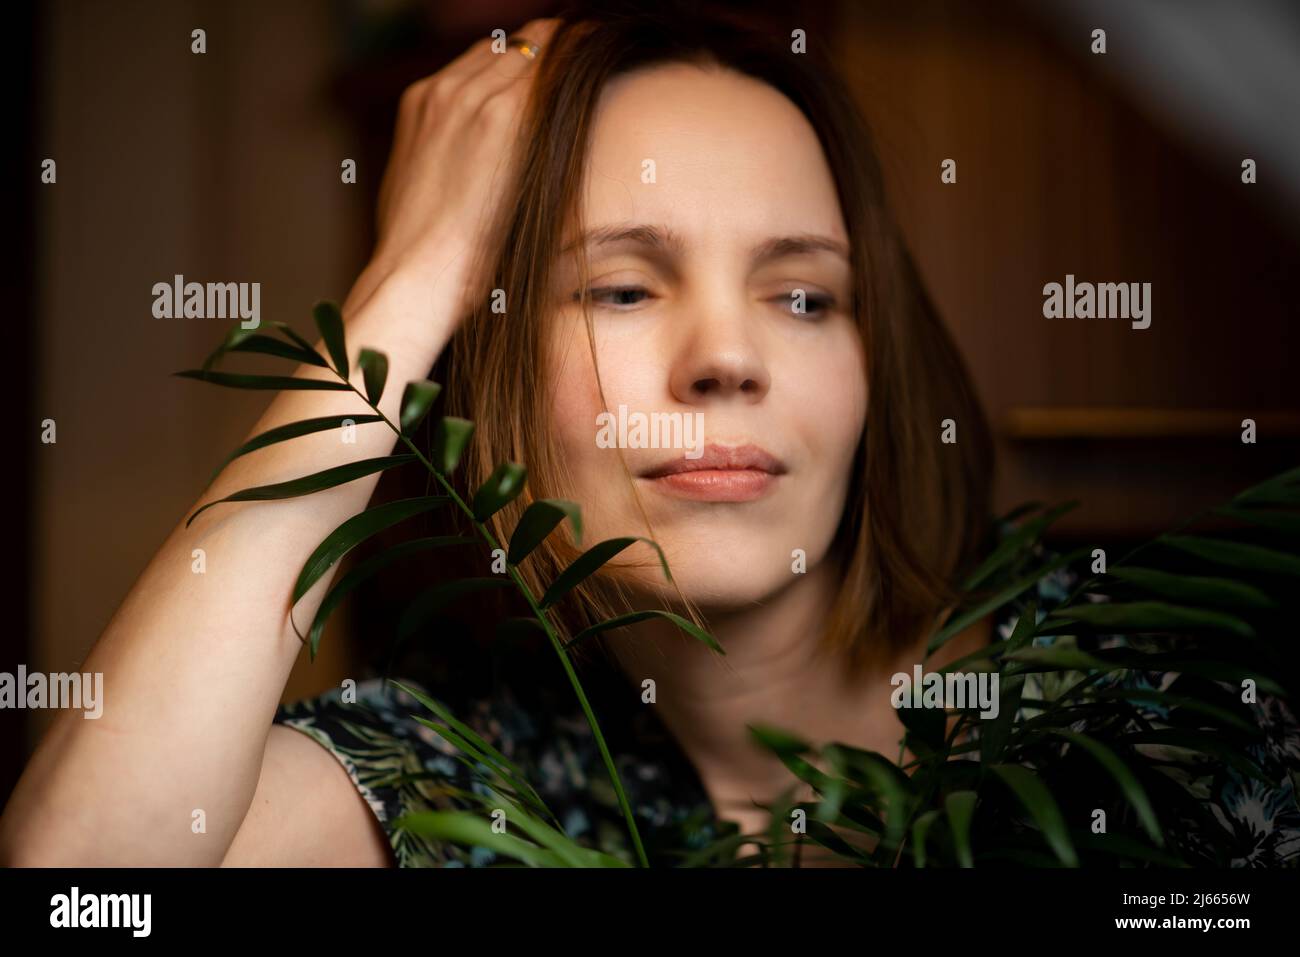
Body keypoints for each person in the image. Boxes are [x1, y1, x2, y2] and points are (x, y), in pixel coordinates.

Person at [3, 5, 1294, 868]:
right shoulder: (490, 770)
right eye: (621, 285)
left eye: (803, 294)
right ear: (489, 368)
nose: (727, 357)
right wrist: (409, 280)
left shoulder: (1152, 711)